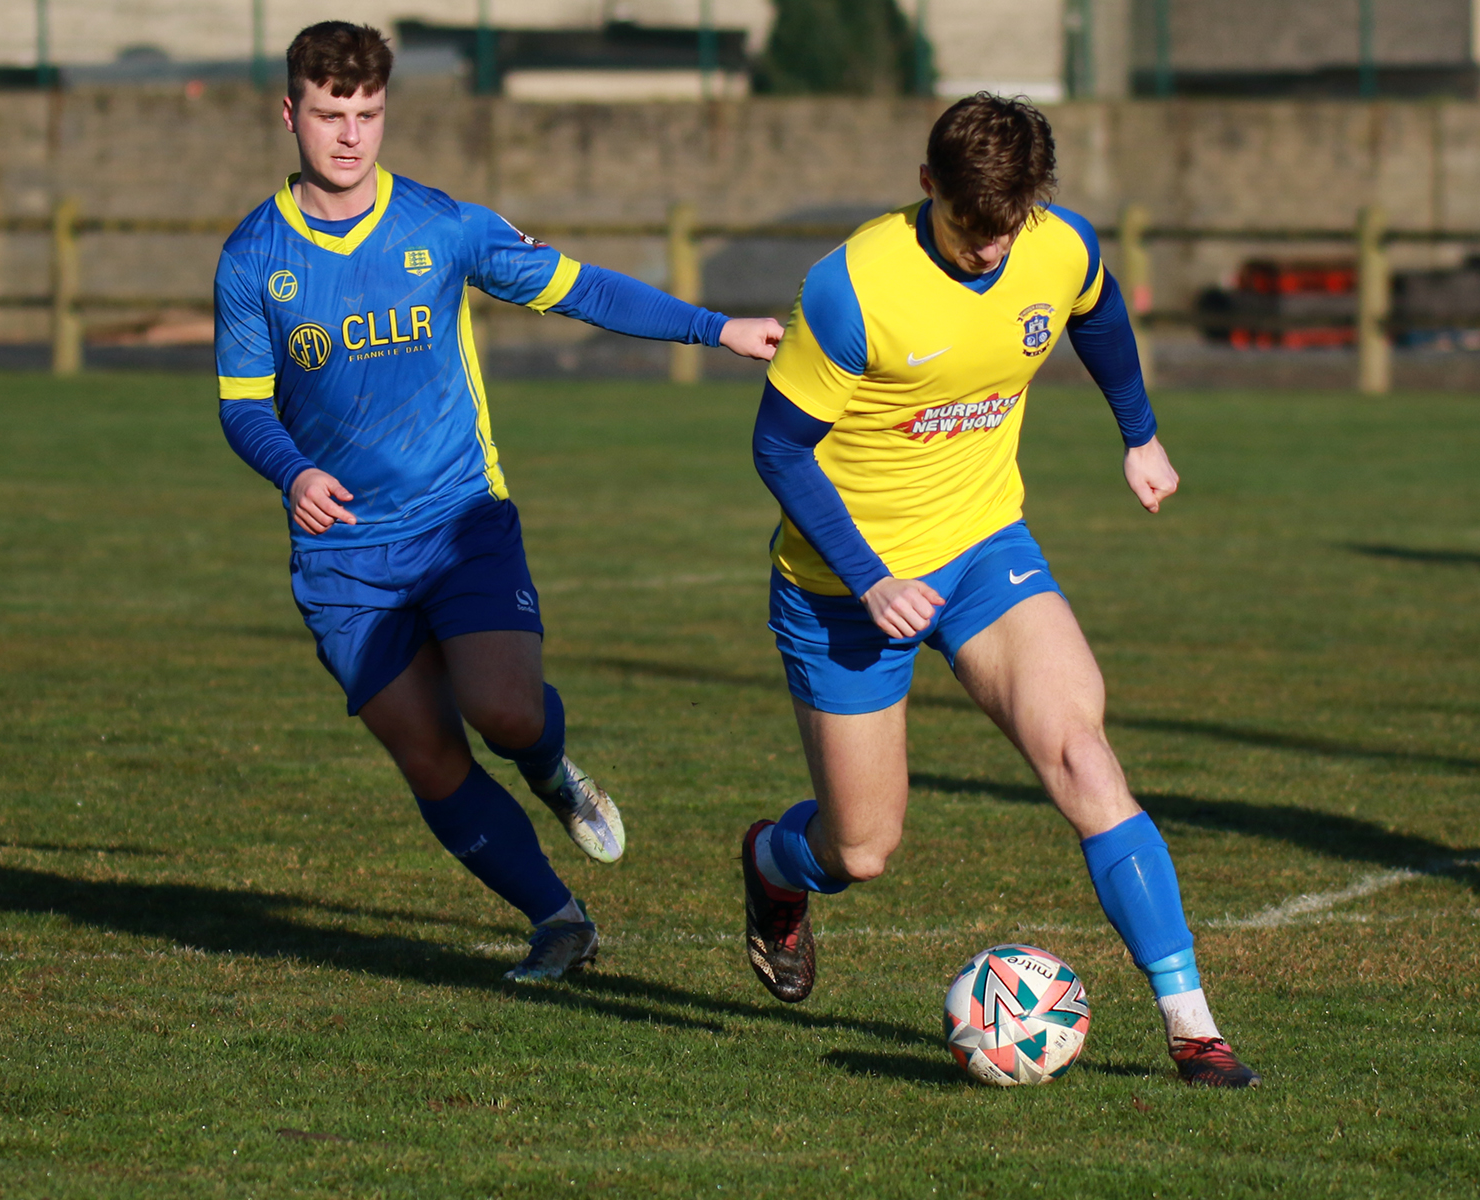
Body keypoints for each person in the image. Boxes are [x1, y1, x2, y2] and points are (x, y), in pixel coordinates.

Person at [214, 21, 782, 982]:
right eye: (328, 114)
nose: (350, 135)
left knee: (506, 712)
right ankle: (559, 920)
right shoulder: (252, 257)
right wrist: (294, 471)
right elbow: (240, 408)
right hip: (344, 553)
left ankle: (553, 770)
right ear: (289, 114)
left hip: (457, 520)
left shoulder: (441, 226)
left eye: (367, 113)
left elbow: (578, 289)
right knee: (429, 756)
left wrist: (713, 326)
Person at [739, 94, 1258, 1087]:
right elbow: (779, 448)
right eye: (970, 227)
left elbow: (1098, 313)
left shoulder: (1057, 246)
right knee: (862, 849)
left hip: (984, 549)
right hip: (844, 587)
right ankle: (774, 866)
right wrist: (871, 577)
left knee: (1083, 754)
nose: (988, 251)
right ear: (927, 185)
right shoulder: (852, 288)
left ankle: (1193, 1027)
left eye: (1005, 229)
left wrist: (1138, 434)